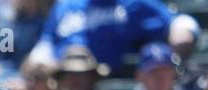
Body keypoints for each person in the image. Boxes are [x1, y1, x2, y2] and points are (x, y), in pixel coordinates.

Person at [29, 0, 174, 71]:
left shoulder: (133, 4)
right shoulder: (65, 6)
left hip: (106, 82)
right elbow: (44, 46)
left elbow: (176, 23)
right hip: (65, 82)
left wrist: (183, 31)